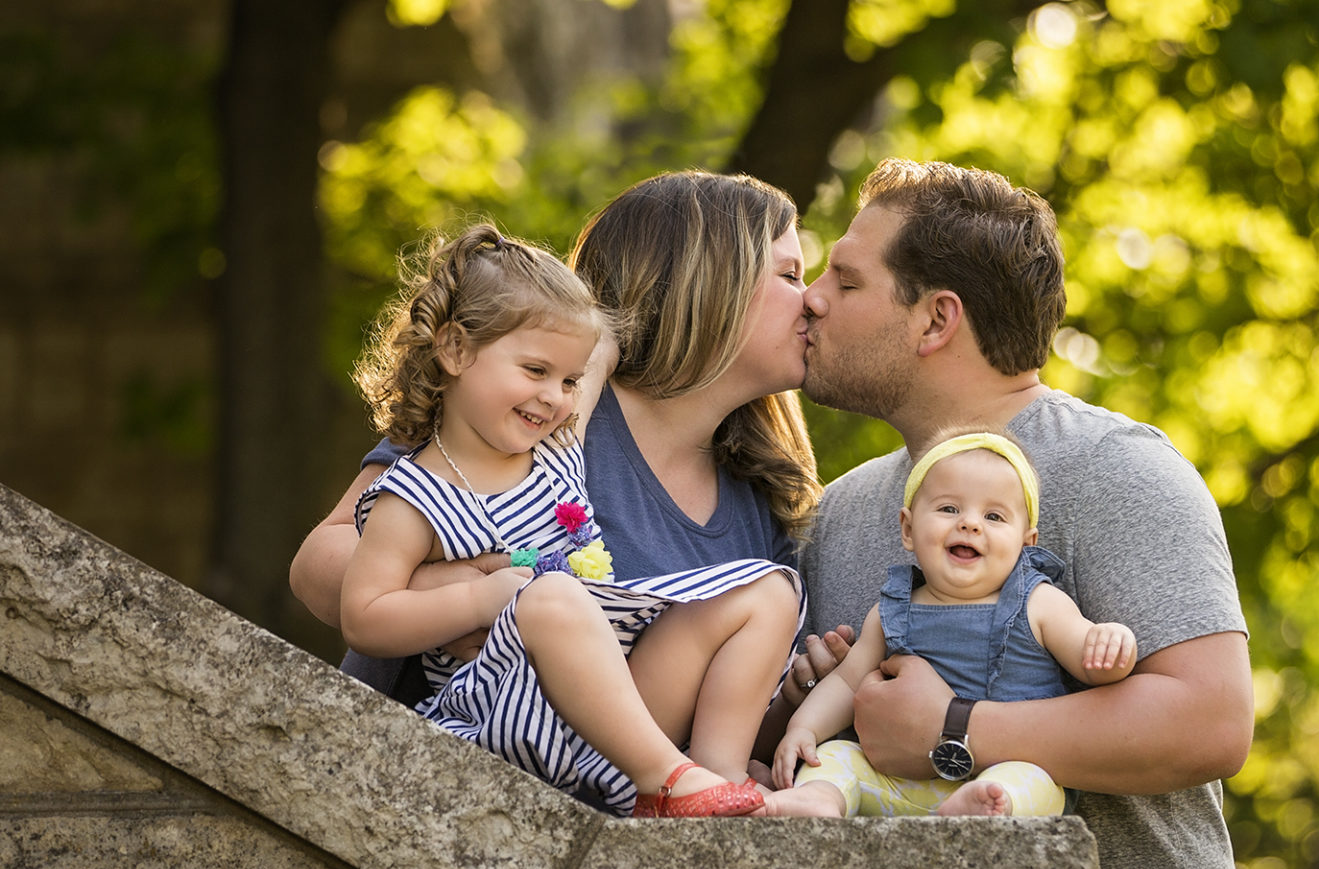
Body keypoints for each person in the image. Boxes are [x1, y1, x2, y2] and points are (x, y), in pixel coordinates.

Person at [788, 159, 1254, 869]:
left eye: (845, 281)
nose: (809, 299)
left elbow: (1211, 720)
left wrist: (951, 732)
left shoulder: (1118, 471)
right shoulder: (842, 512)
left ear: (936, 319)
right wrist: (808, 699)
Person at [290, 171, 820, 716]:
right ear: (710, 285)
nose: (814, 300)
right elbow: (317, 567)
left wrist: (800, 695)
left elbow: (722, 722)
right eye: (790, 275)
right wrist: (467, 594)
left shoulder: (760, 504)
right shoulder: (536, 408)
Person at [340, 222, 801, 817]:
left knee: (767, 591)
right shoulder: (413, 496)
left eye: (568, 382)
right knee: (552, 594)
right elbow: (364, 616)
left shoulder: (555, 448)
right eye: (535, 371)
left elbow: (599, 344)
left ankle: (714, 780)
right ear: (455, 350)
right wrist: (479, 599)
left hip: (615, 707)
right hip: (507, 711)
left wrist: (582, 348)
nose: (555, 397)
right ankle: (665, 778)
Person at [770, 428, 1137, 818]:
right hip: (900, 784)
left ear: (1026, 543)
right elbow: (847, 682)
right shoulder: (892, 610)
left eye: (994, 516)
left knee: (1035, 781)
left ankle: (979, 807)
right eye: (949, 509)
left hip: (999, 772)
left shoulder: (1040, 603)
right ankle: (821, 798)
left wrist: (1112, 640)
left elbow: (1091, 660)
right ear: (908, 529)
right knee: (835, 754)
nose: (970, 524)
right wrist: (804, 729)